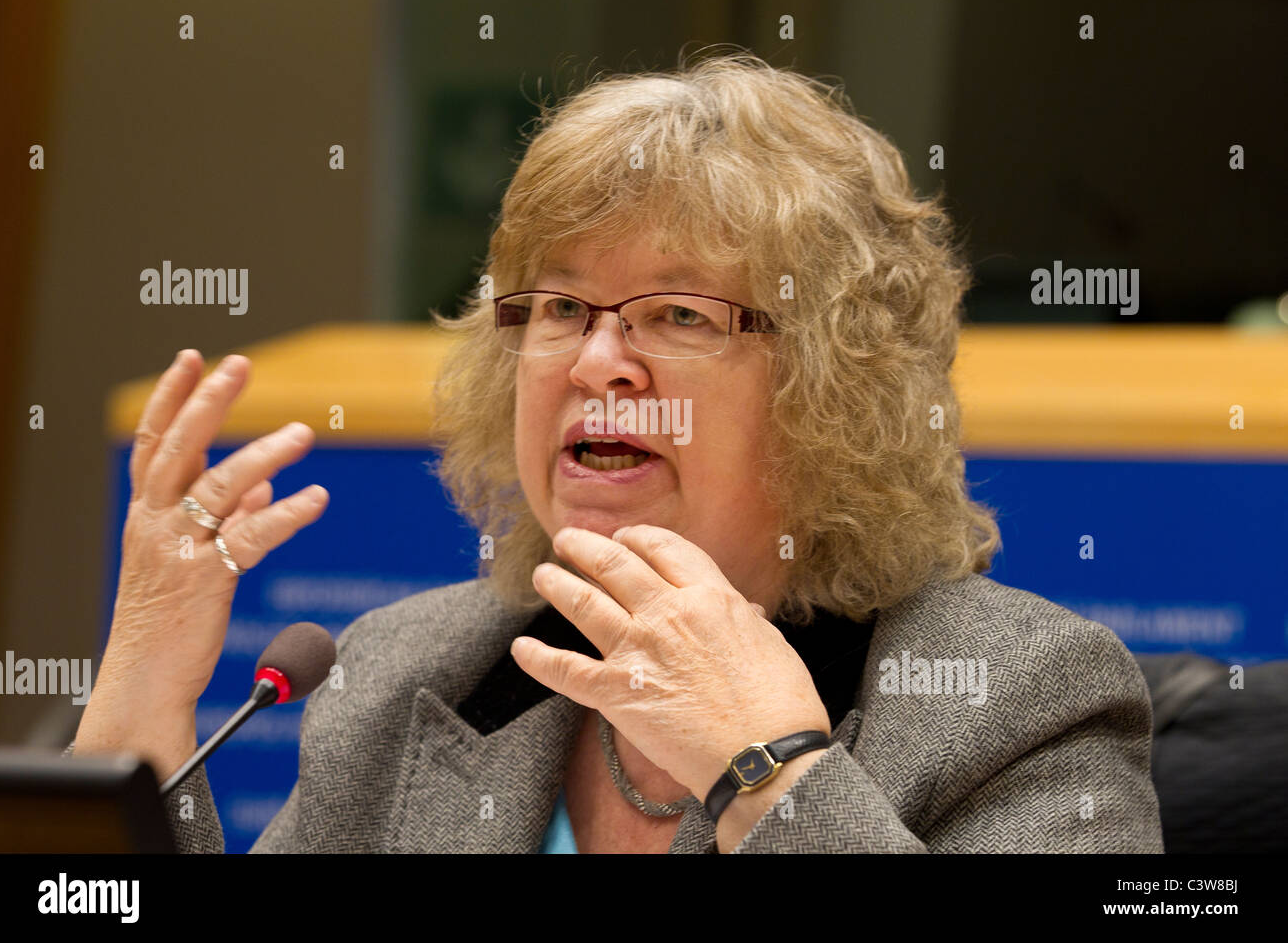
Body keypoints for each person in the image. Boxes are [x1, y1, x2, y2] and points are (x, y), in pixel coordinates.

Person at [70, 51, 1163, 853]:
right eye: (557, 308)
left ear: (836, 387)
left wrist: (768, 774)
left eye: (679, 316)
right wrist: (139, 710)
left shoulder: (1013, 702)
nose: (599, 361)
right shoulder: (407, 676)